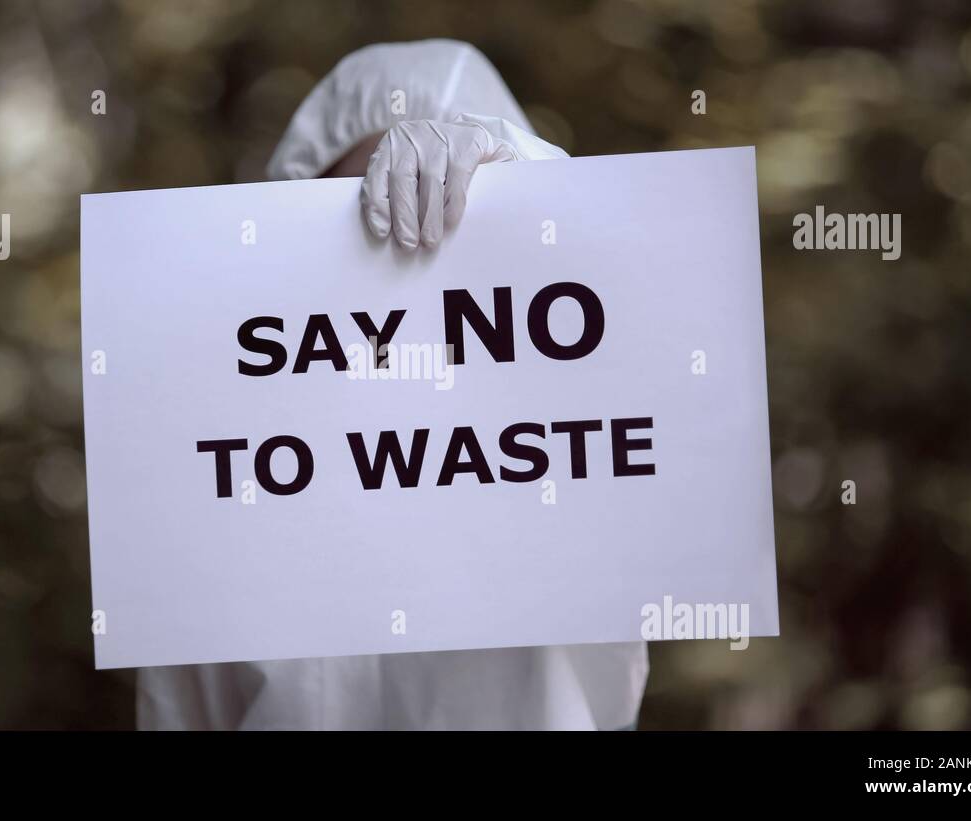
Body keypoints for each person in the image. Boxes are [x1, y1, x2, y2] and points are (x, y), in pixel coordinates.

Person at [137, 39, 648, 730]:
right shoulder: (226, 473)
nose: (400, 255)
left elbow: (628, 306)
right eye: (361, 212)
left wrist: (518, 171)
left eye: (444, 203)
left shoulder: (572, 435)